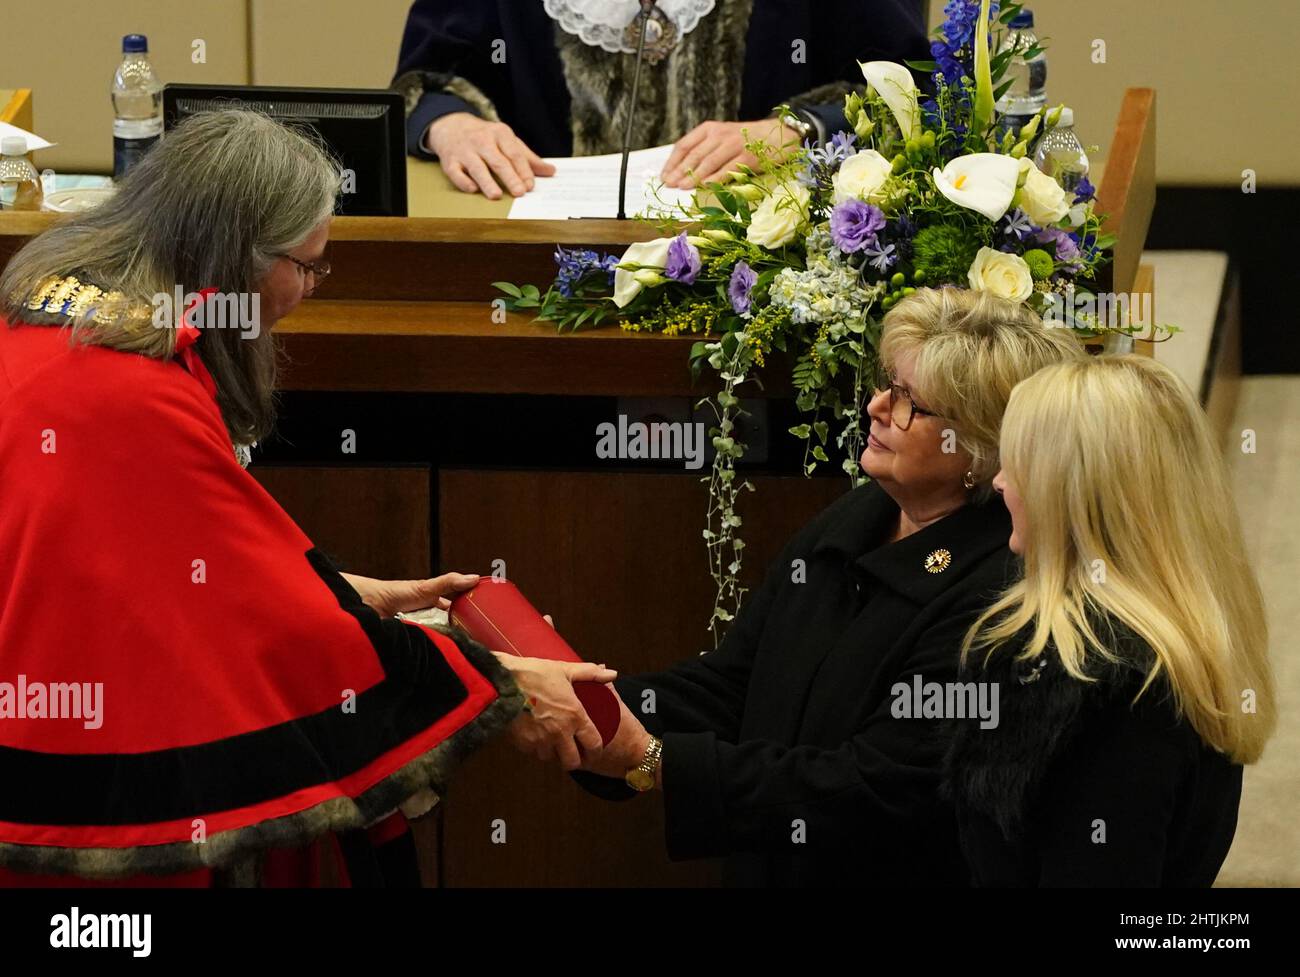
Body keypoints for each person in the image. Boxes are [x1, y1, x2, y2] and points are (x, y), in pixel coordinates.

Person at [0, 109, 610, 887]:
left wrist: (350, 592)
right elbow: (268, 624)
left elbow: (180, 574)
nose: (314, 289)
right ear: (233, 259)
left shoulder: (68, 321)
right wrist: (499, 681)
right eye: (307, 266)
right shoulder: (137, 392)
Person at [512, 287, 1086, 886]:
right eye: (887, 382)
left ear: (977, 446)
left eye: (910, 401)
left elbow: (874, 788)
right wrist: (591, 700)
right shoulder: (859, 518)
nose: (877, 407)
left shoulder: (998, 588)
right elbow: (734, 684)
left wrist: (656, 762)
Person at [944, 356, 1276, 887]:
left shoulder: (1103, 687)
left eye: (1019, 462)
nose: (1001, 482)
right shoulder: (1189, 638)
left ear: (1073, 491)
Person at [393, 0, 929, 198]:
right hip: (537, 281)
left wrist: (795, 127)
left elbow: (909, 90)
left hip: (764, 279)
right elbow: (426, 79)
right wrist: (450, 124)